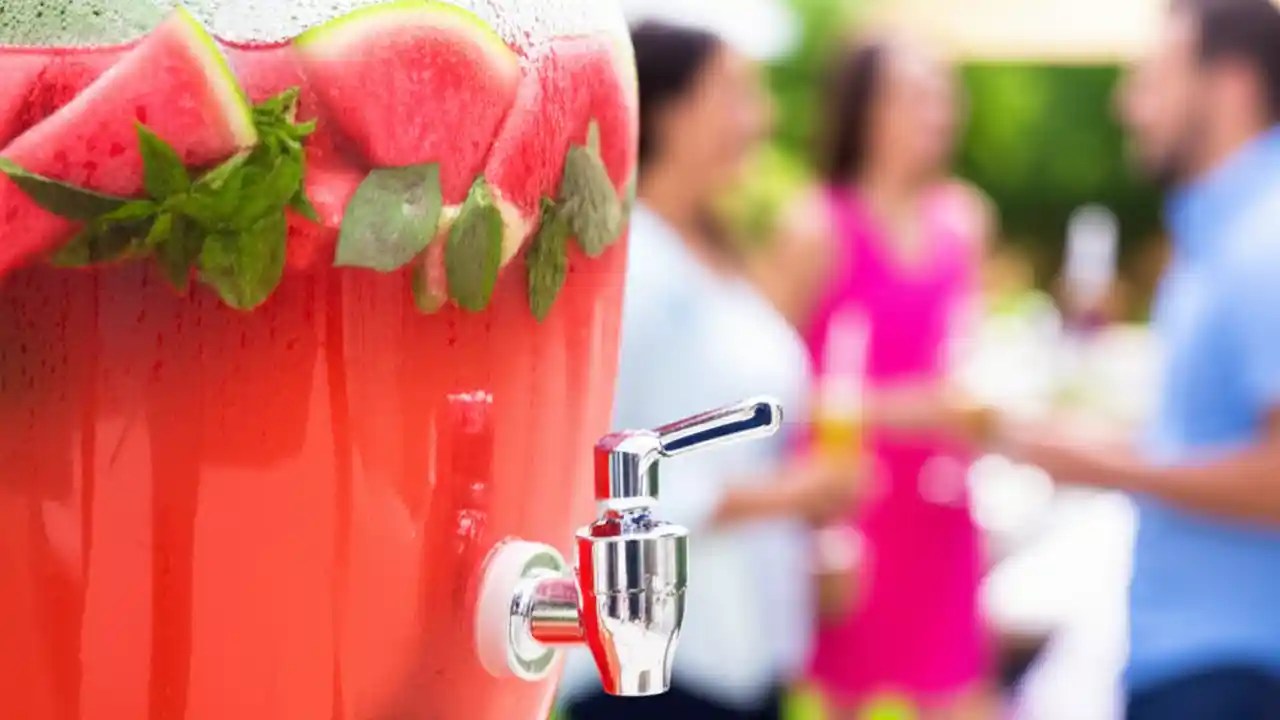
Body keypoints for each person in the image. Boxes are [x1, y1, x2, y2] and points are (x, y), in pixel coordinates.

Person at [557, 21, 860, 720]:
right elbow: (599, 473)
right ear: (667, 108)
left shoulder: (718, 252)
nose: (762, 119)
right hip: (660, 662)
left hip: (748, 648)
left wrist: (806, 529)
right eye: (735, 95)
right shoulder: (623, 263)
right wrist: (792, 497)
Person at [1001, 0, 1280, 717]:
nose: (1128, 105)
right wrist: (1090, 446)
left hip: (1235, 668)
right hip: (1198, 658)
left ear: (1231, 84)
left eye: (1154, 77)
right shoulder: (1217, 237)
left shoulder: (1263, 240)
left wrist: (1103, 467)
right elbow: (1210, 444)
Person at [803, 35, 995, 720]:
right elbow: (781, 394)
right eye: (914, 96)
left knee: (964, 696)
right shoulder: (816, 225)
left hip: (943, 509)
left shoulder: (965, 220)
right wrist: (906, 408)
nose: (937, 114)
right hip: (853, 514)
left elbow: (964, 350)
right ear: (865, 112)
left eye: (942, 96)